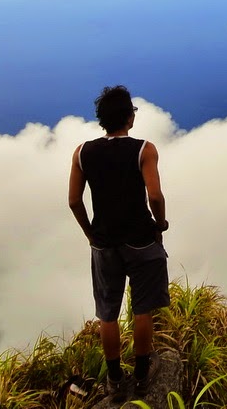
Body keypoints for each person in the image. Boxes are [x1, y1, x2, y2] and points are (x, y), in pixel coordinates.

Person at [68, 85, 170, 402]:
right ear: (130, 117)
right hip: (140, 239)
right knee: (142, 309)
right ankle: (142, 374)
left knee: (107, 313)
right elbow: (154, 195)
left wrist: (89, 233)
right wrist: (160, 224)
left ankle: (114, 380)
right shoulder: (144, 150)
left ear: (102, 120)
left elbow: (74, 201)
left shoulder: (82, 152)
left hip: (103, 243)